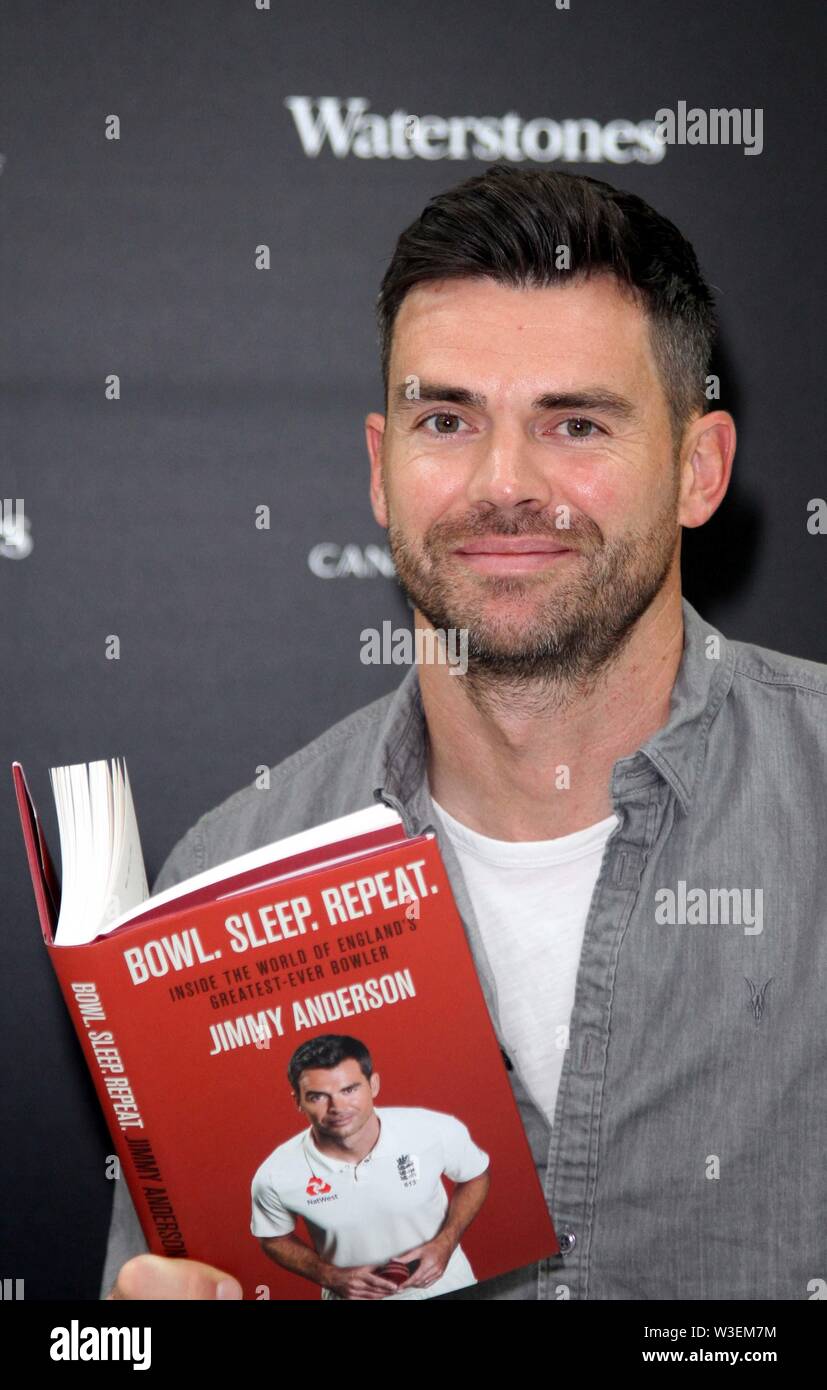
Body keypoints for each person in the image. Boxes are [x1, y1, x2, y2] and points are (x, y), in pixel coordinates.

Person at [105, 165, 827, 1302]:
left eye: (573, 422)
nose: (503, 485)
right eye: (445, 419)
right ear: (380, 470)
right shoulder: (222, 880)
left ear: (699, 470)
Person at [248, 1033, 490, 1300]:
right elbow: (272, 1237)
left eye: (349, 1090)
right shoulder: (274, 1175)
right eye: (318, 1097)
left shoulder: (433, 1130)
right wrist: (328, 1276)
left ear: (373, 1085)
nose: (337, 1107)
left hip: (448, 1286)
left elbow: (475, 1175)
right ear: (298, 1101)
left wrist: (446, 1243)